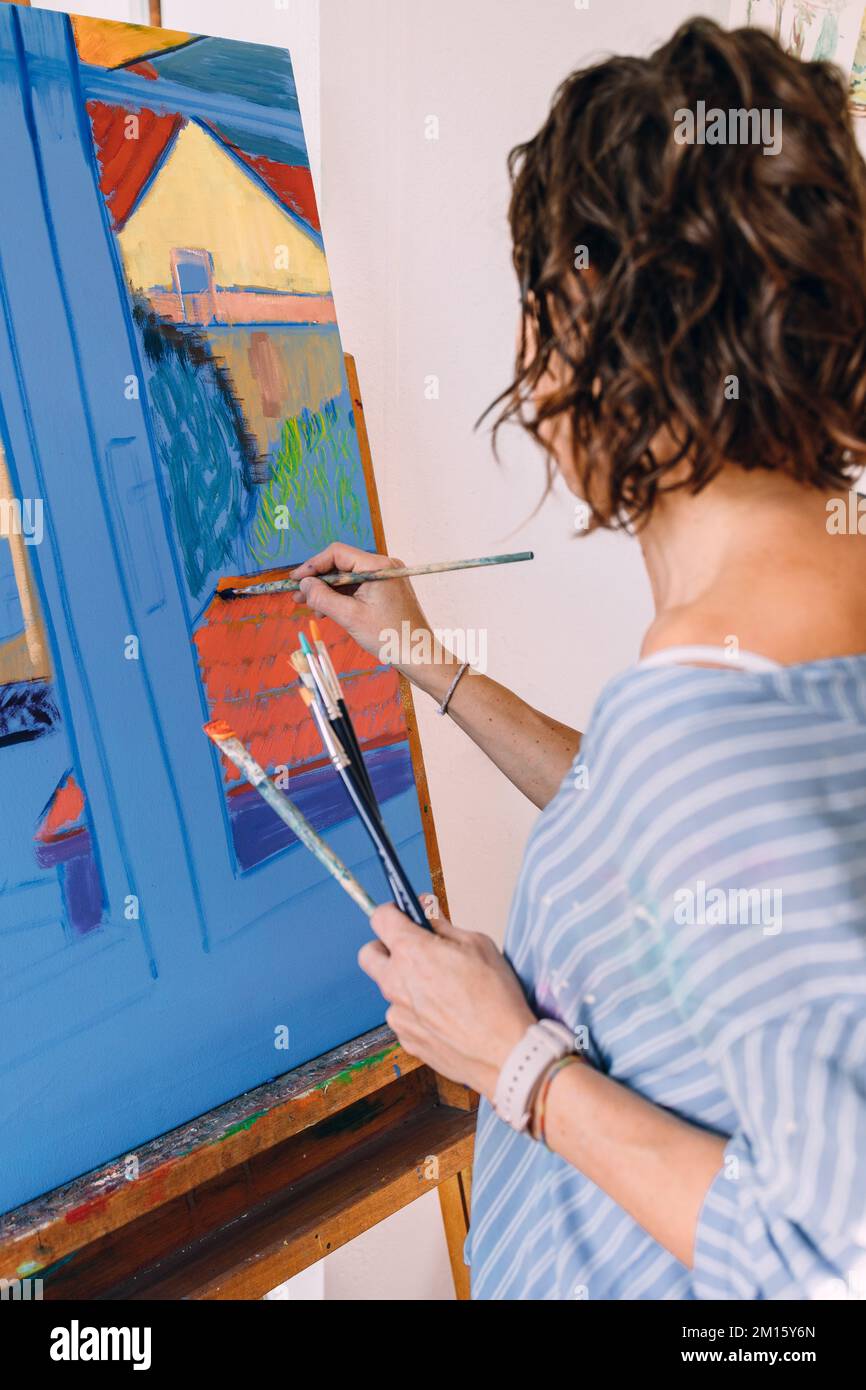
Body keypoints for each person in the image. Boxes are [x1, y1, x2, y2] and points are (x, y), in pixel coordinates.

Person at [291, 18, 866, 1299]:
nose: (525, 371)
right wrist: (427, 662)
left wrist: (518, 1067)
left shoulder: (710, 720)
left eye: (535, 310)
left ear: (597, 326)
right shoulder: (788, 633)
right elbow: (665, 846)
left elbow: (836, 1259)